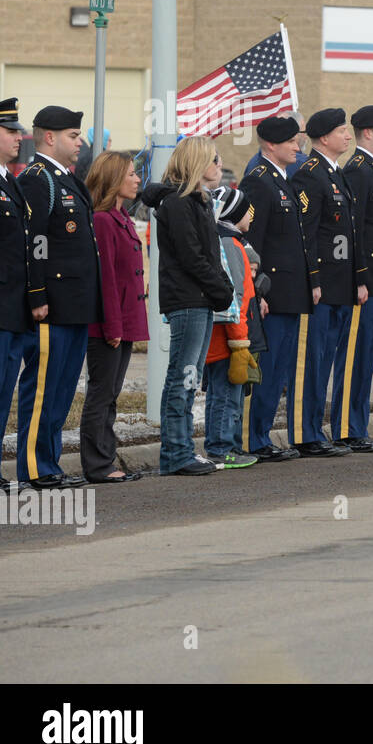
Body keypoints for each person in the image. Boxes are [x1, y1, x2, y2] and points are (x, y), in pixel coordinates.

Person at [16, 105, 103, 489]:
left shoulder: (65, 179)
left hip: (75, 304)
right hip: (52, 304)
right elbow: (34, 241)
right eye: (73, 135)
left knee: (63, 390)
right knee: (43, 391)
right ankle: (36, 467)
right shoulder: (39, 179)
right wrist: (36, 293)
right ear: (49, 137)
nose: (79, 141)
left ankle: (49, 463)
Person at [141, 136, 234, 477]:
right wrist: (222, 289)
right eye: (213, 159)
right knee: (182, 377)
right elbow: (192, 256)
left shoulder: (198, 202)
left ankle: (183, 450)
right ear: (196, 163)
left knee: (190, 378)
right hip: (188, 299)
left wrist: (220, 289)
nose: (219, 165)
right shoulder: (179, 204)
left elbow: (207, 255)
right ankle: (176, 453)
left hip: (201, 298)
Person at [289, 107, 365, 457]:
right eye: (342, 131)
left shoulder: (336, 174)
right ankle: (305, 434)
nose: (348, 136)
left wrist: (357, 279)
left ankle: (315, 430)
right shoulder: (309, 174)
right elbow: (305, 233)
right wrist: (313, 280)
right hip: (321, 286)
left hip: (340, 285)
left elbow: (349, 233)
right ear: (323, 138)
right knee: (312, 361)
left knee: (326, 358)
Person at [238, 115, 311, 462]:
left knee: (279, 368)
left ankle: (262, 435)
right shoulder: (259, 183)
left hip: (290, 291)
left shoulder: (282, 181)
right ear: (271, 145)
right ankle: (252, 438)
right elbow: (252, 244)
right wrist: (258, 293)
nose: (298, 147)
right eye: (292, 142)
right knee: (264, 369)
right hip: (271, 293)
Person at [330, 103, 373, 453]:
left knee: (367, 356)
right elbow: (353, 230)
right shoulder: (358, 170)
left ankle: (357, 425)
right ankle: (347, 428)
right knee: (355, 357)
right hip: (366, 282)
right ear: (368, 132)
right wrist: (360, 277)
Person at [80, 150, 147, 483]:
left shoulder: (120, 217)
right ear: (113, 179)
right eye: (131, 174)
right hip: (109, 323)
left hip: (125, 319)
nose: (137, 179)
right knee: (102, 393)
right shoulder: (103, 220)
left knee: (110, 394)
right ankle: (97, 464)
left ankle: (106, 458)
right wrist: (113, 326)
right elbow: (105, 277)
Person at [202, 186, 260, 469]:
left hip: (227, 335)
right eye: (246, 210)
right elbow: (235, 297)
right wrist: (239, 342)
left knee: (225, 394)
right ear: (235, 213)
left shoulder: (232, 241)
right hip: (228, 337)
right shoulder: (230, 245)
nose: (251, 215)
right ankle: (220, 448)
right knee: (225, 396)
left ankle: (229, 446)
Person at [0, 97, 30, 493]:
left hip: (12, 307)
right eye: (9, 130)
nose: (18, 137)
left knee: (3, 394)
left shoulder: (8, 181)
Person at [245, 110, 309, 177]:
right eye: (291, 141)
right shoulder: (302, 163)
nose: (306, 136)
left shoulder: (254, 162)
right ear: (271, 144)